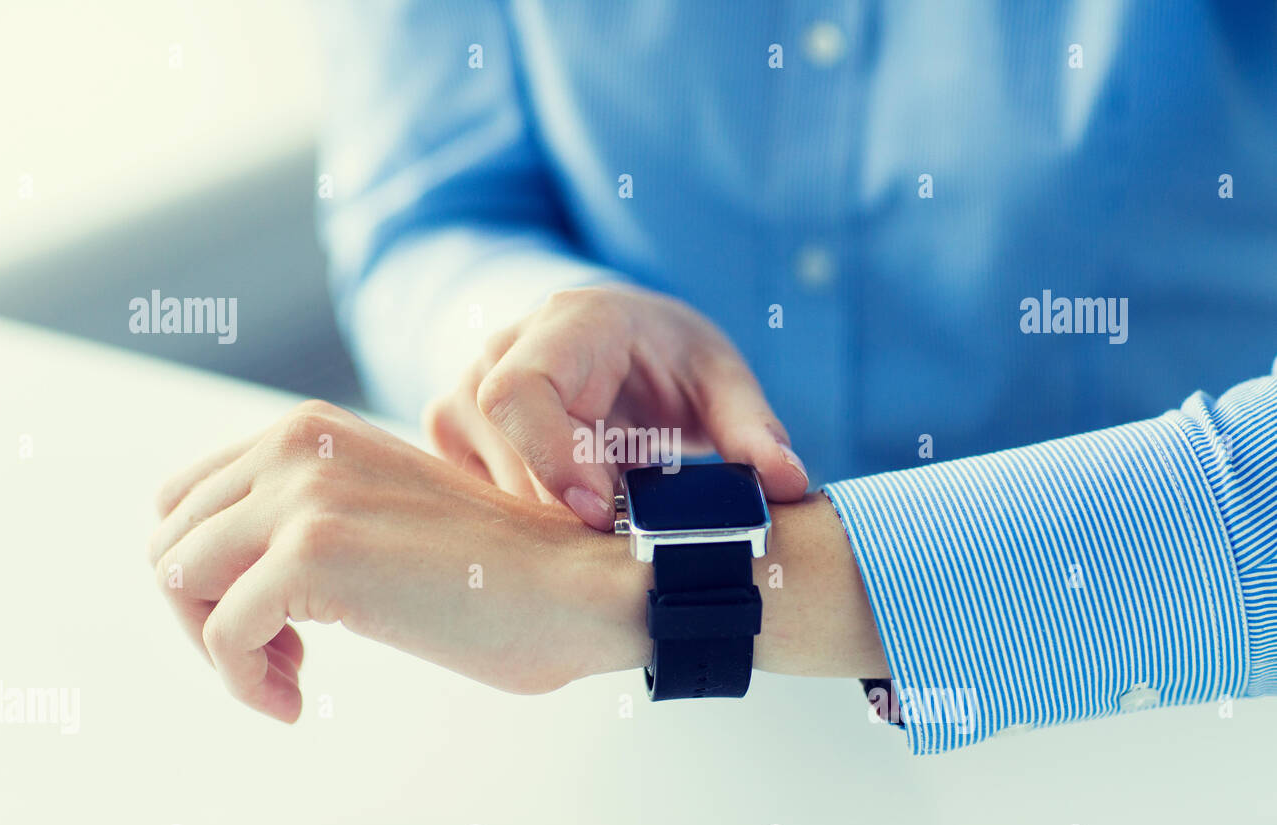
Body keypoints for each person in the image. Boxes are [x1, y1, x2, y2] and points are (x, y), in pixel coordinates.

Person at [149, 2, 1275, 754]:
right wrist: (526, 332)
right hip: (659, 748)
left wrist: (619, 591)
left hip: (1185, 715)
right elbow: (434, 209)